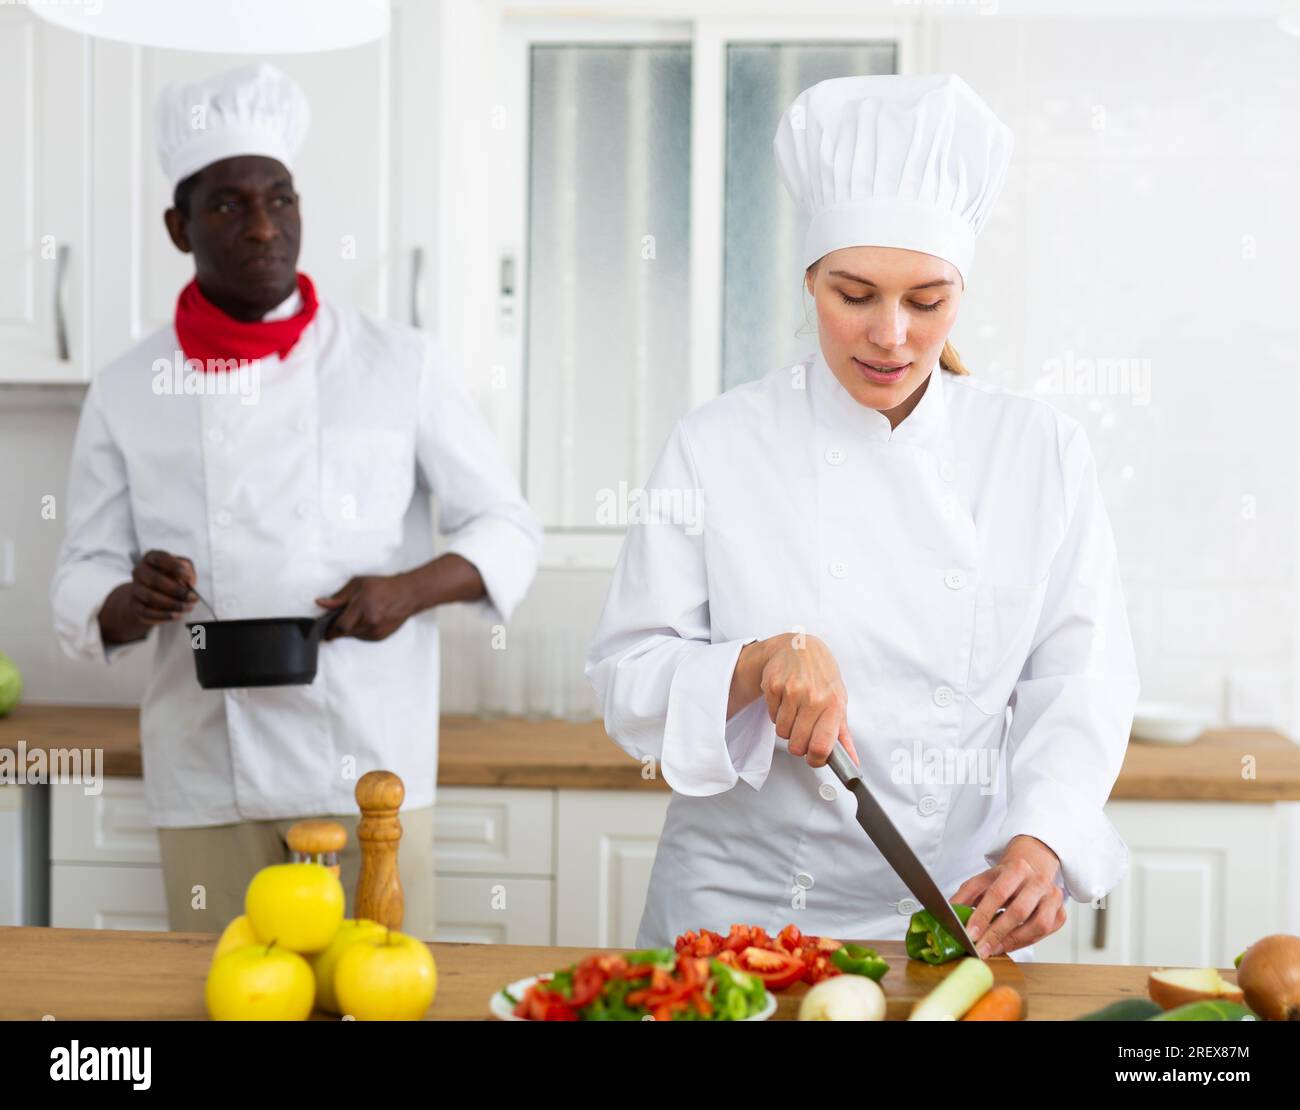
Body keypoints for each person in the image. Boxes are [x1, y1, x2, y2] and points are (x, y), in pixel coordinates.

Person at [586, 73, 1140, 961]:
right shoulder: (718, 445)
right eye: (855, 295)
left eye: (926, 301)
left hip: (955, 911)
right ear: (810, 281)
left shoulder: (1039, 451)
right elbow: (626, 680)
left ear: (960, 289)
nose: (890, 335)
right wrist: (756, 664)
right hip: (740, 913)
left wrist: (1041, 843)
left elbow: (1079, 682)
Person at [50, 63, 541, 939]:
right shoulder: (128, 388)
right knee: (222, 994)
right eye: (229, 205)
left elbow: (506, 526)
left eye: (280, 197)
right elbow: (80, 575)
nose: (264, 226)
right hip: (208, 772)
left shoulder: (399, 363)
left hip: (370, 769)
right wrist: (131, 600)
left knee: (375, 995)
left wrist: (407, 588)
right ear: (179, 225)